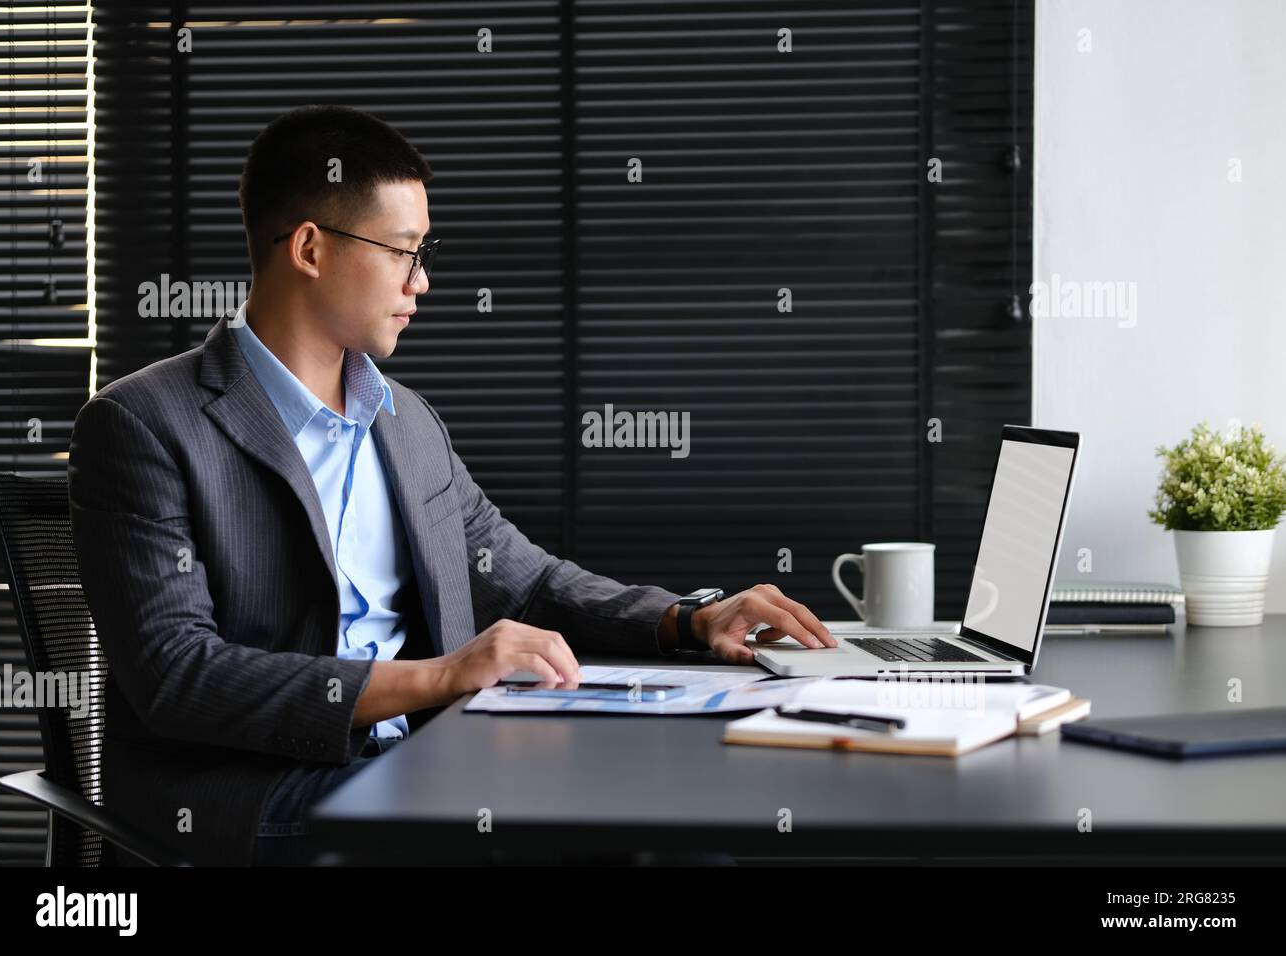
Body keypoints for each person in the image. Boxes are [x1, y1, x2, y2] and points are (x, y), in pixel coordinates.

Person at [68, 104, 835, 866]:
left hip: (430, 759)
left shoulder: (404, 421)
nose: (423, 281)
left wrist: (686, 621)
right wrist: (439, 677)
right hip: (251, 794)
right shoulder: (143, 425)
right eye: (404, 251)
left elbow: (526, 583)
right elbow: (177, 673)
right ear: (309, 248)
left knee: (685, 829)